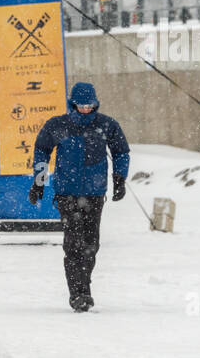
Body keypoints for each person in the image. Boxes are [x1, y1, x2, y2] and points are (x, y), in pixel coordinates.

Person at [28, 82, 130, 313]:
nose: (86, 109)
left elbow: (121, 151)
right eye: (81, 105)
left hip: (95, 193)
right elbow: (42, 149)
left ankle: (85, 284)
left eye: (90, 105)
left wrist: (119, 179)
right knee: (73, 244)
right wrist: (39, 181)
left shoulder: (107, 125)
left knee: (91, 244)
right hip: (67, 194)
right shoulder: (58, 125)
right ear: (72, 104)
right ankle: (78, 293)